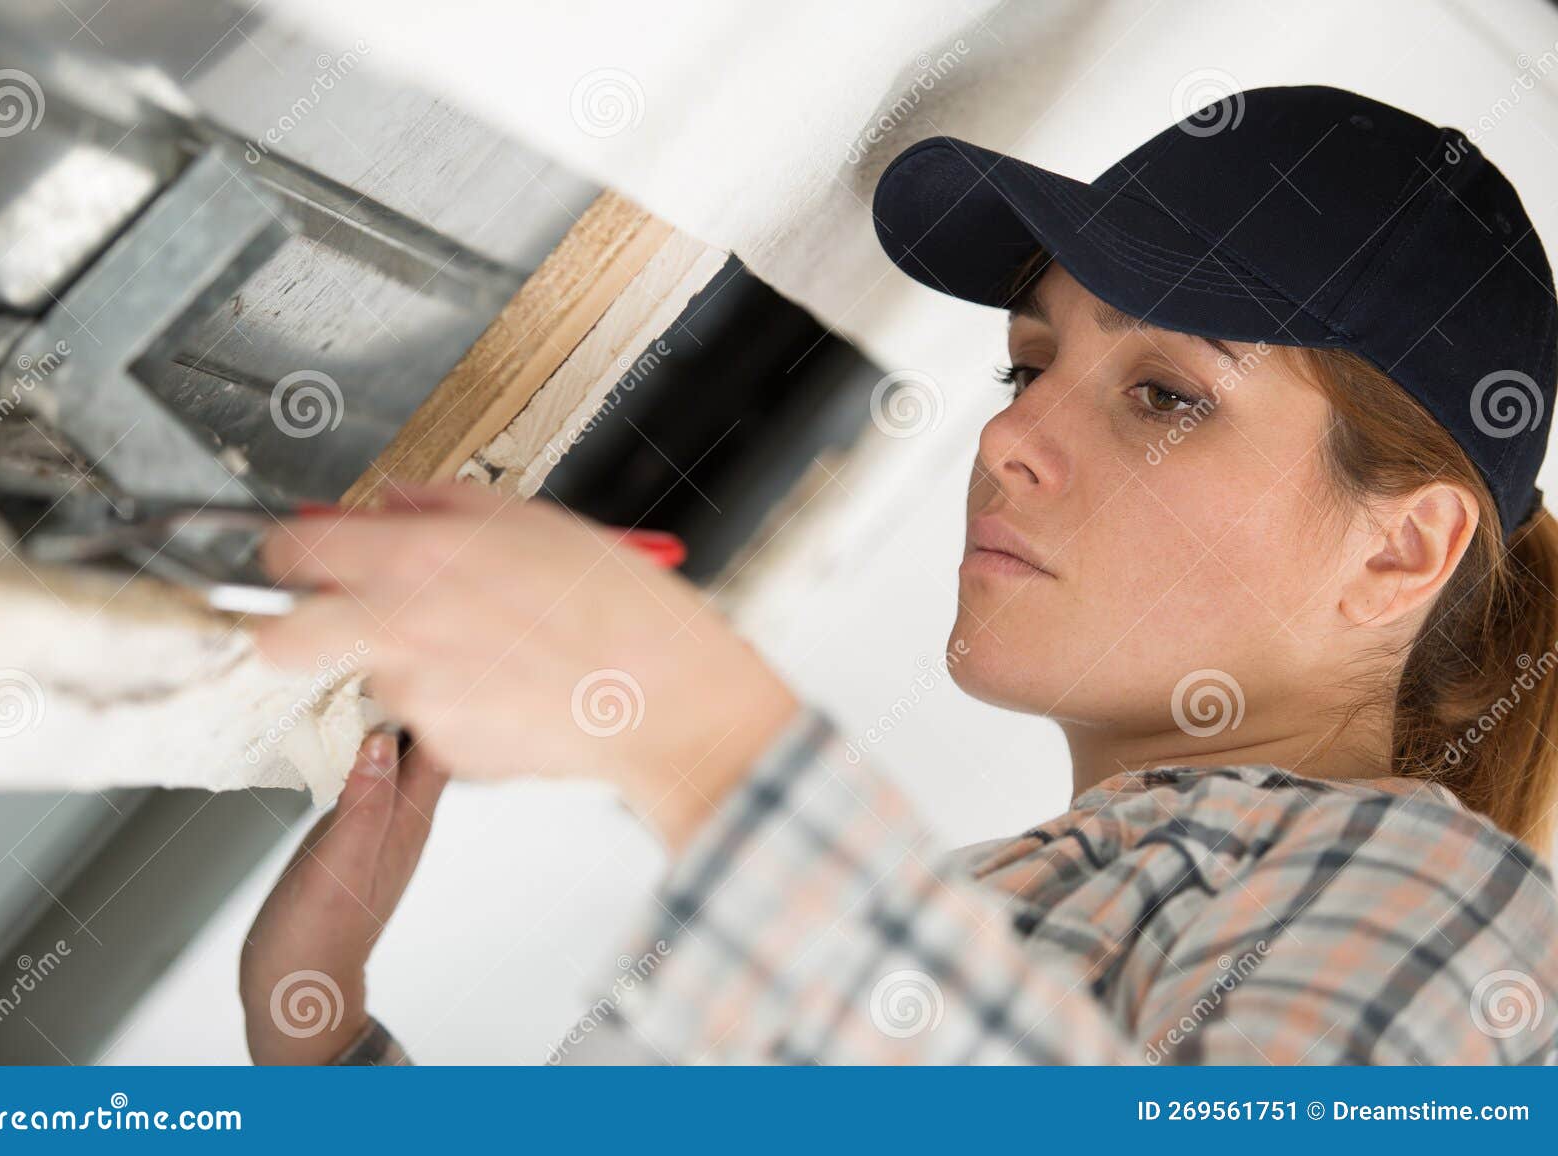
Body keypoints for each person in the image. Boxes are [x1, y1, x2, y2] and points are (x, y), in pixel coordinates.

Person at [239, 85, 1558, 1065]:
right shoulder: (993, 909)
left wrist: (696, 732)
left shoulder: (1451, 904)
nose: (1009, 437)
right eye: (1028, 366)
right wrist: (326, 1038)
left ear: (1399, 552)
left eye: (1166, 394)